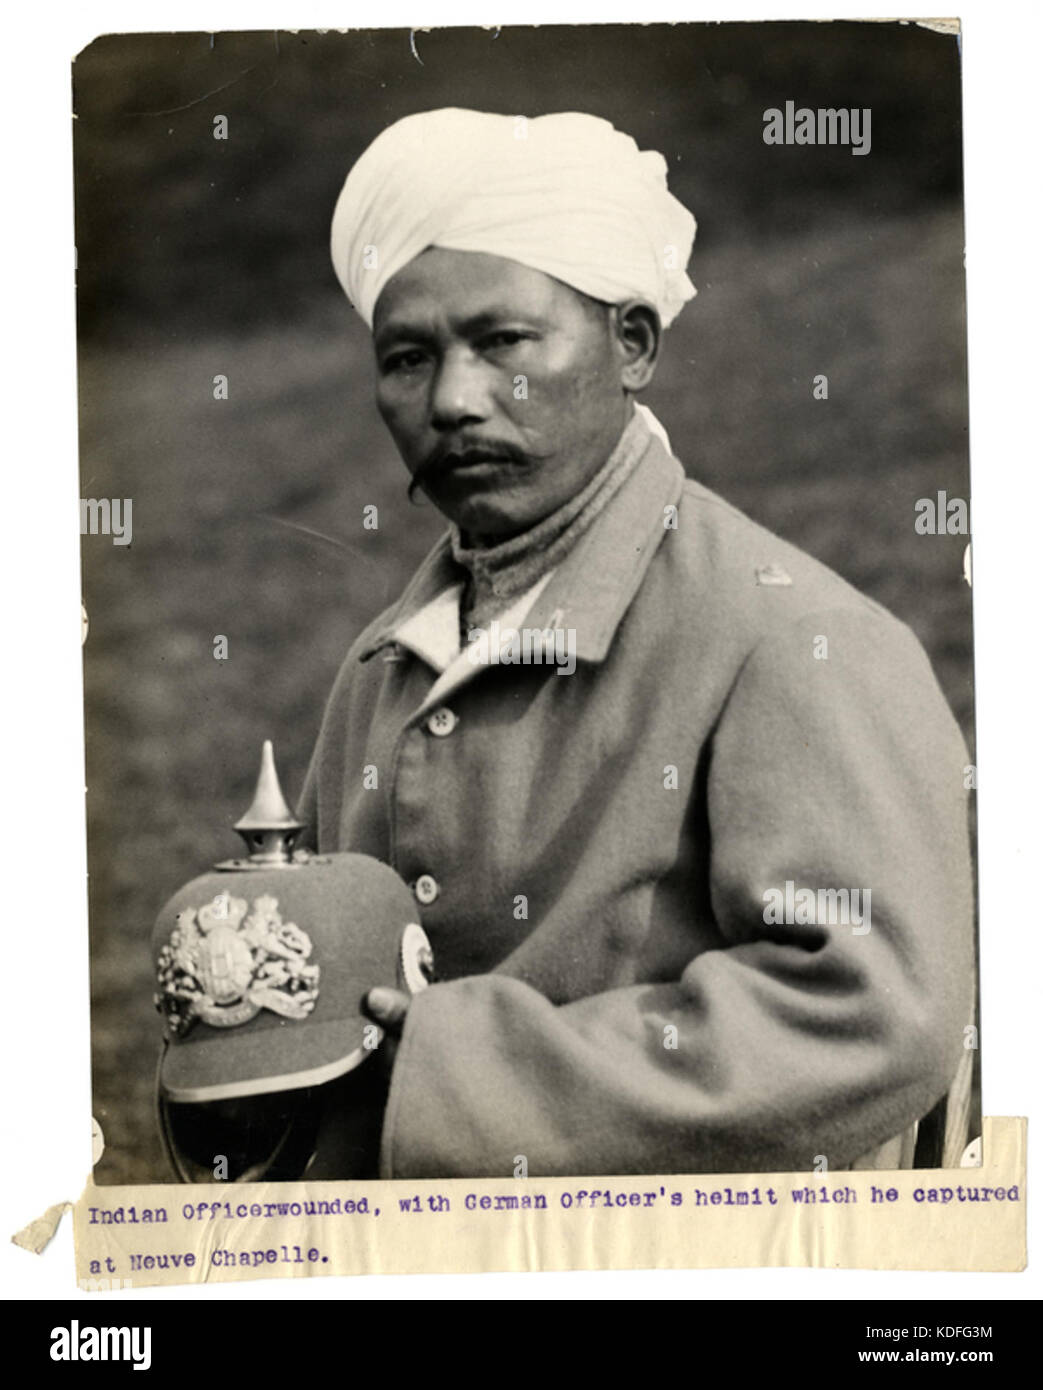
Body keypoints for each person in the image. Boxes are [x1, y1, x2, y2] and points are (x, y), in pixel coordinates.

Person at [298, 107, 976, 1179]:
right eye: (407, 356)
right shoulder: (382, 669)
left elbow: (877, 1014)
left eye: (503, 342)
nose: (453, 400)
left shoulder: (794, 638)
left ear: (632, 345)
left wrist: (449, 1077)